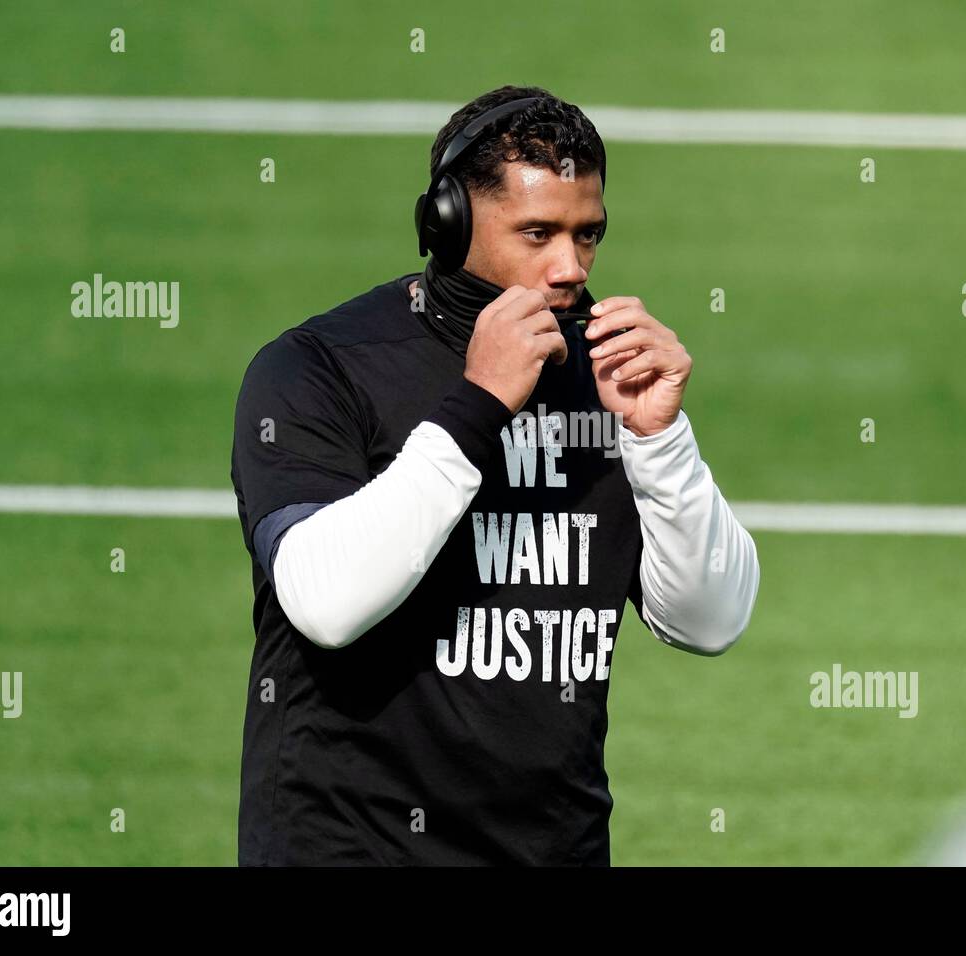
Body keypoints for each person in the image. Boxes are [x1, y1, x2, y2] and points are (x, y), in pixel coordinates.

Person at [230, 84, 760, 865]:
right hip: (349, 848)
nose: (569, 267)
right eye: (537, 233)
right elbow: (325, 602)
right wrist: (478, 406)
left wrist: (661, 438)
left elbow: (709, 620)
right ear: (446, 222)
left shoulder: (605, 374)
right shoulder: (318, 371)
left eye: (588, 236)